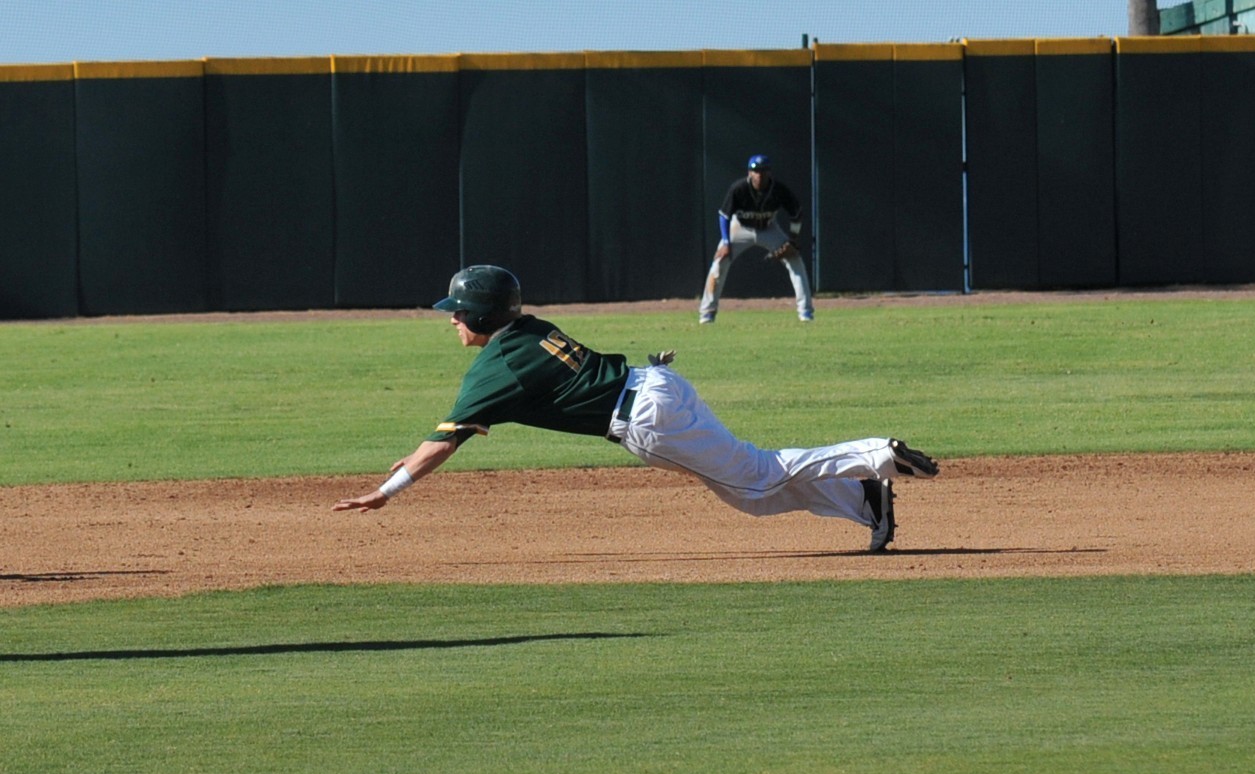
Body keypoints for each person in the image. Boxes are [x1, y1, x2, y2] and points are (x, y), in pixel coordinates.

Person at [333, 265, 939, 552]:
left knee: (756, 479)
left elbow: (443, 442)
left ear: (485, 316)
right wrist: (410, 460)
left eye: (459, 311)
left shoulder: (496, 368)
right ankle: (866, 499)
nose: (453, 319)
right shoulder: (528, 328)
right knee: (746, 492)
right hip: (655, 385)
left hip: (645, 419)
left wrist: (388, 490)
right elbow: (445, 432)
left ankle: (874, 456)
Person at [698, 154, 814, 324]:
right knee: (720, 261)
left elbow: (796, 213)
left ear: (770, 173)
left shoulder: (778, 190)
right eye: (756, 171)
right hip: (740, 228)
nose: (759, 175)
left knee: (794, 259)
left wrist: (793, 239)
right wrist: (725, 242)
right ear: (749, 173)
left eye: (763, 171)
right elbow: (724, 215)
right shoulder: (739, 188)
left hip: (769, 228)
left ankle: (806, 313)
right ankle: (707, 313)